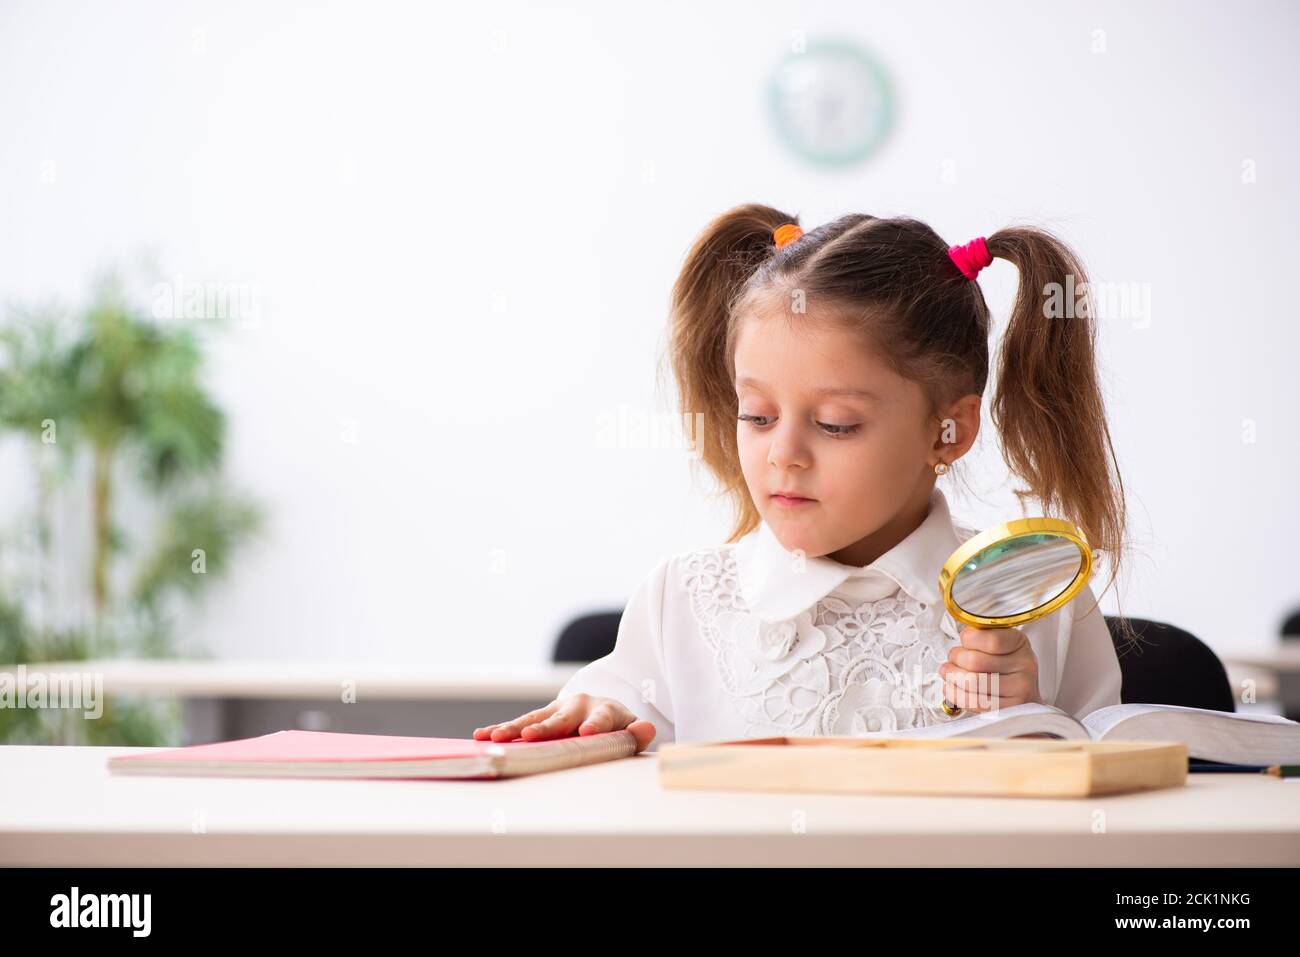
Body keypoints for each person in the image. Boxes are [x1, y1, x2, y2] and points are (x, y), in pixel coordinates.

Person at [475, 205, 1130, 753]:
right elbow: (618, 730)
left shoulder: (1043, 602)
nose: (782, 454)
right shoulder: (681, 602)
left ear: (948, 430)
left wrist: (1027, 724)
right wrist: (600, 717)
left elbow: (1117, 812)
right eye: (757, 415)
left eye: (836, 424)